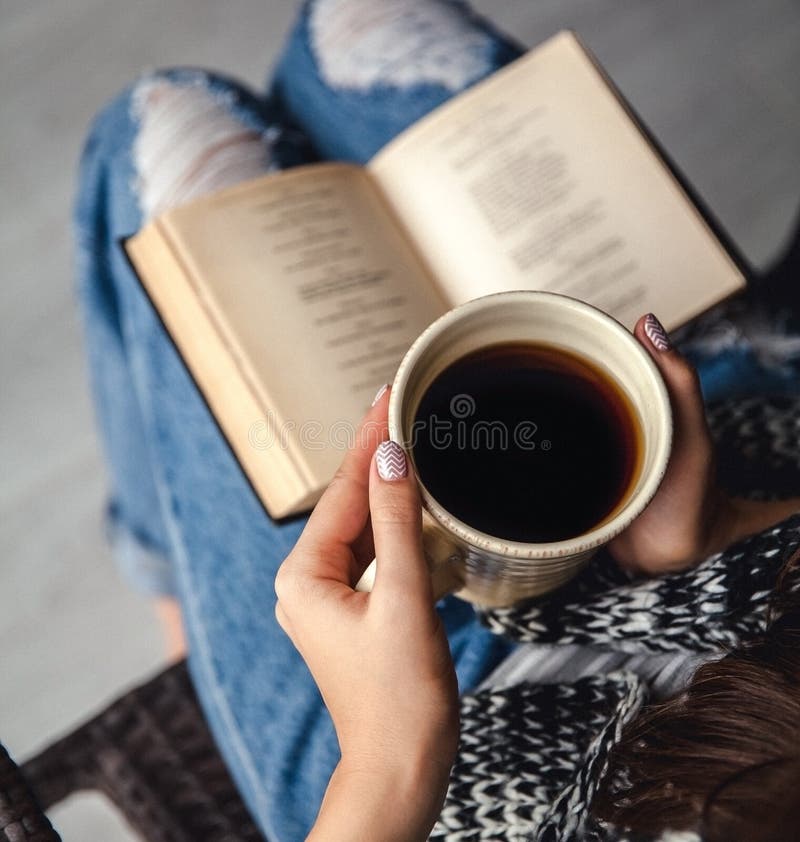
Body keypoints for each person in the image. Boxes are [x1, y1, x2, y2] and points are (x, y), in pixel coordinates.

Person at [75, 1, 800, 839]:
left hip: (444, 760)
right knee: (359, 20)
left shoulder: (397, 768)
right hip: (730, 502)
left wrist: (389, 765)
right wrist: (719, 535)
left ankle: (178, 585)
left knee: (160, 126)